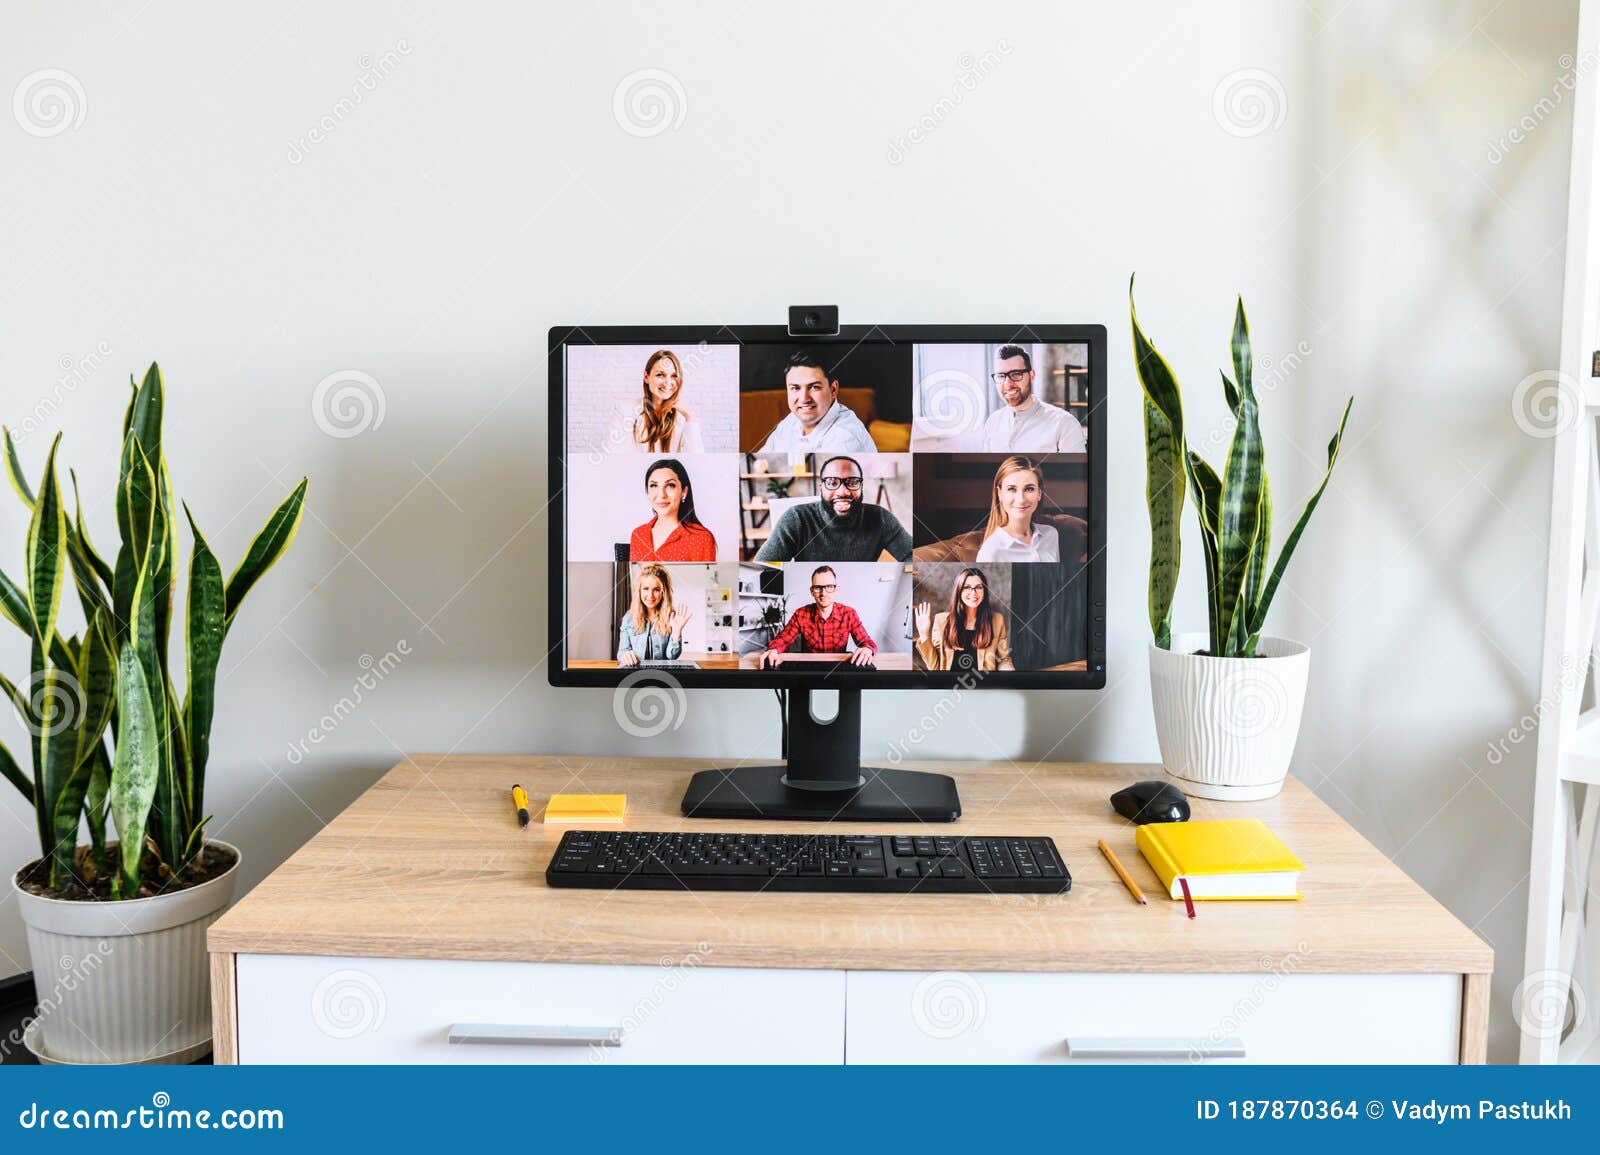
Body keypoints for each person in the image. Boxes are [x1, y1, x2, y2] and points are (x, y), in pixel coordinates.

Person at [755, 455, 911, 562]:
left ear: (861, 486)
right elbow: (764, 566)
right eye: (832, 483)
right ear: (821, 487)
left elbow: (913, 556)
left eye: (852, 482)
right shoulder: (796, 518)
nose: (843, 492)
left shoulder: (880, 518)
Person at [757, 351, 876, 453]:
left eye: (814, 387)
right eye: (795, 388)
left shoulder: (845, 438)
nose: (804, 399)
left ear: (833, 390)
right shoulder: (791, 422)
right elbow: (758, 464)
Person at [760, 565, 877, 668]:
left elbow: (866, 642)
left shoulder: (849, 613)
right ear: (812, 591)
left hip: (839, 669)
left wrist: (867, 649)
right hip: (808, 670)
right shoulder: (801, 614)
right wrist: (773, 650)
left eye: (829, 587)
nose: (823, 593)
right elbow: (782, 639)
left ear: (836, 590)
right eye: (818, 588)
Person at [982, 345, 1087, 453]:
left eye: (1016, 374)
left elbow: (1075, 470)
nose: (1008, 384)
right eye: (1001, 376)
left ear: (1032, 376)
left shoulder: (1065, 424)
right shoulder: (992, 423)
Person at [914, 567, 1013, 671]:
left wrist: (1009, 673)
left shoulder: (997, 620)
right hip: (950, 685)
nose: (973, 592)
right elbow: (935, 668)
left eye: (978, 587)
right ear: (959, 591)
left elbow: (1003, 659)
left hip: (982, 684)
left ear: (984, 591)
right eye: (967, 587)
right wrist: (924, 634)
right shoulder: (941, 620)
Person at [607, 349, 705, 453]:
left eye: (674, 376)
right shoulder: (626, 411)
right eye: (660, 375)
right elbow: (614, 454)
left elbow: (695, 460)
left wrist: (690, 417)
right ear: (646, 377)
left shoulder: (683, 417)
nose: (668, 382)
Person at [628, 458, 717, 562]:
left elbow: (704, 578)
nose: (661, 494)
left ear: (684, 492)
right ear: (648, 492)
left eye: (670, 485)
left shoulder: (701, 539)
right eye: (654, 485)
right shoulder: (638, 535)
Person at [976, 456, 1060, 562]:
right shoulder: (991, 552)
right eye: (1011, 489)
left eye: (1029, 489)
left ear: (1039, 493)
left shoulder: (1051, 535)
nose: (1021, 499)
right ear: (1000, 493)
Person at [616, 564, 693, 666]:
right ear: (639, 590)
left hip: (662, 674)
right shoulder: (628, 618)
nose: (650, 595)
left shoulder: (671, 617)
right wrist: (625, 656)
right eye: (646, 588)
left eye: (656, 589)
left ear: (663, 592)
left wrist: (676, 632)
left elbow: (672, 656)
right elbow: (622, 652)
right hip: (635, 674)